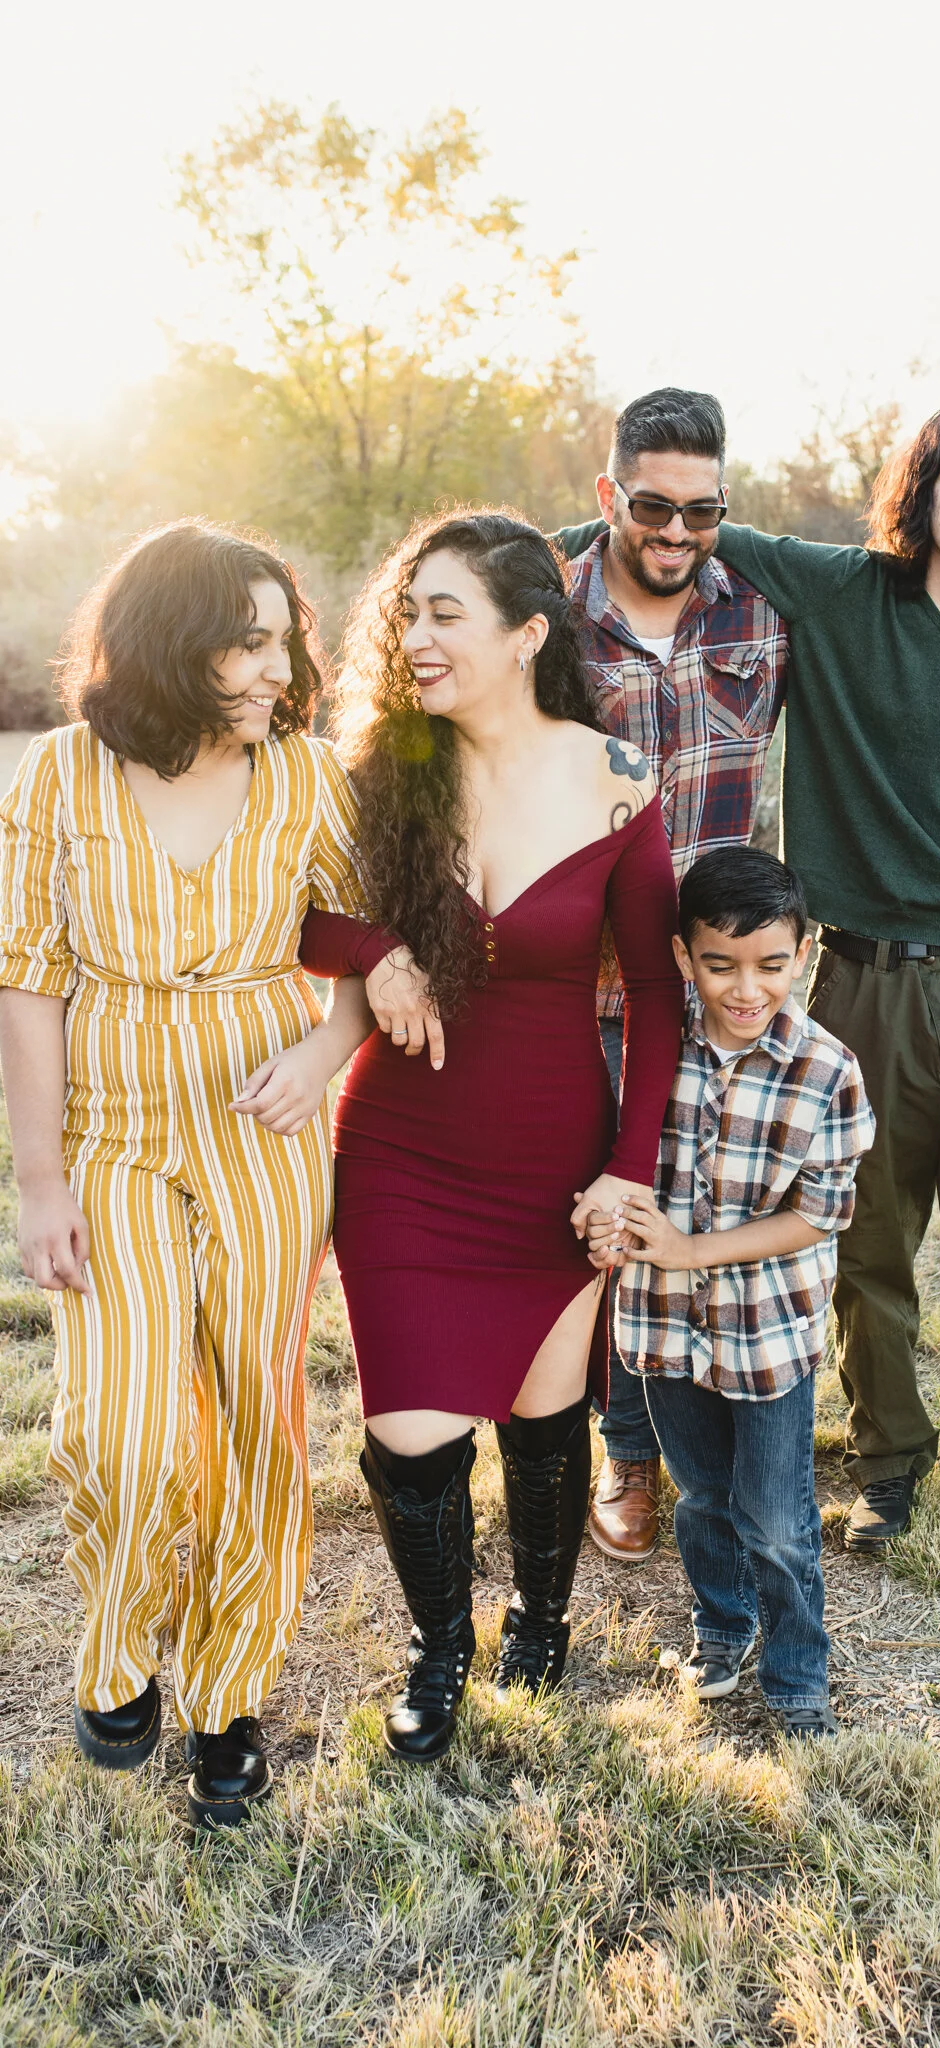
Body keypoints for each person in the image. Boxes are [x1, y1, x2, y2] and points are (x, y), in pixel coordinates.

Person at [263, 510, 684, 1764]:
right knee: (410, 1425)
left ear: (526, 633)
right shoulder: (378, 773)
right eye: (407, 612)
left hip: (556, 1154)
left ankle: (541, 1622)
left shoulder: (616, 781)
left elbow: (656, 995)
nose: (416, 636)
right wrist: (377, 948)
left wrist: (630, 1165)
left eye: (445, 612)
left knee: (545, 1416)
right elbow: (287, 915)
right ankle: (439, 1644)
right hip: (399, 1147)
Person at [0, 520, 373, 1826]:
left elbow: (383, 951)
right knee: (124, 1427)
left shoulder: (308, 778)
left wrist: (324, 1051)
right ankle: (117, 1654)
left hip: (260, 1130)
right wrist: (39, 1183)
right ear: (174, 642)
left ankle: (227, 1700)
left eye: (287, 639)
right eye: (249, 640)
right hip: (108, 1127)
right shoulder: (55, 779)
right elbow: (30, 982)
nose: (280, 666)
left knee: (257, 1422)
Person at [702, 397, 940, 1548]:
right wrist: (521, 562)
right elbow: (680, 532)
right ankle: (889, 1464)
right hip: (861, 981)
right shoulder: (841, 593)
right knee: (865, 1246)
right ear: (920, 483)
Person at [548, 388, 787, 1565]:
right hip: (568, 981)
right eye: (652, 504)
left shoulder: (762, 619)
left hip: (712, 989)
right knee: (595, 1221)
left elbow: (914, 604)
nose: (677, 530)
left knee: (693, 1220)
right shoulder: (537, 603)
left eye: (703, 508)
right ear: (610, 497)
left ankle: (703, 1455)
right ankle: (621, 1451)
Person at [590, 847, 873, 1738]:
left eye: (770, 965)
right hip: (664, 1332)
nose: (745, 987)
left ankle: (797, 1671)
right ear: (682, 957)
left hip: (768, 1338)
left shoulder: (827, 1070)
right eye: (719, 965)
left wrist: (688, 1249)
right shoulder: (647, 1052)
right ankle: (723, 1625)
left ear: (806, 954)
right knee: (701, 1495)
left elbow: (819, 1216)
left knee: (778, 1518)